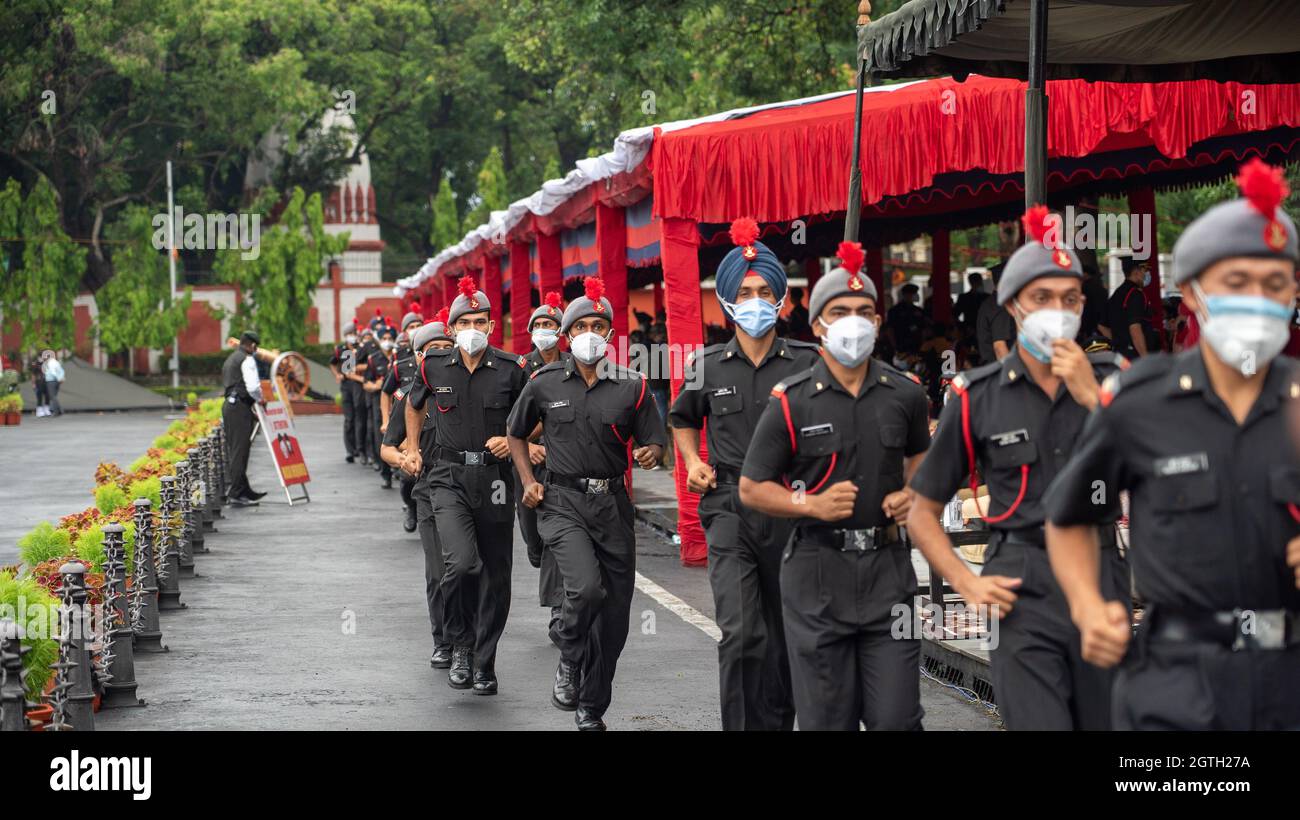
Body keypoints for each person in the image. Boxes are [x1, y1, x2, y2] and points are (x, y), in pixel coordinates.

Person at [1045, 158, 1300, 730]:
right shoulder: (1140, 403)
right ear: (1191, 292)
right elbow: (1068, 516)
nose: (1258, 298)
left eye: (1275, 283)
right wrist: (1089, 607)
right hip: (1175, 685)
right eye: (1237, 282)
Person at [907, 205, 1129, 730]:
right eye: (1042, 298)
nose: (1058, 309)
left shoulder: (1113, 378)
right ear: (1012, 305)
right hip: (1019, 583)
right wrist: (967, 582)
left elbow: (1157, 465)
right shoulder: (975, 395)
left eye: (1069, 298)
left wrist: (1090, 398)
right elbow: (921, 510)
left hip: (1102, 573)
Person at [739, 242, 931, 731]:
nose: (854, 321)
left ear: (879, 320)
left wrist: (916, 493)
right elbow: (752, 488)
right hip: (816, 578)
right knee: (828, 720)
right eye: (839, 311)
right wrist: (812, 503)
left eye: (864, 311)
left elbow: (920, 459)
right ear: (818, 325)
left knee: (897, 720)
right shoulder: (791, 401)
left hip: (889, 576)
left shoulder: (905, 393)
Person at [669, 217, 820, 731]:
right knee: (740, 632)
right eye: (745, 290)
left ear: (780, 298)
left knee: (785, 635)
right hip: (729, 509)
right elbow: (683, 418)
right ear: (728, 300)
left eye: (765, 290)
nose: (756, 299)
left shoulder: (810, 363)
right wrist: (693, 462)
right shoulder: (707, 365)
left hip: (793, 511)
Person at [506, 276, 667, 731]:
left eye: (600, 325)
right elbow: (515, 433)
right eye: (582, 327)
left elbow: (656, 443)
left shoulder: (632, 385)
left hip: (613, 507)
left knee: (614, 623)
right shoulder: (542, 382)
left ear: (611, 336)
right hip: (561, 502)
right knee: (585, 589)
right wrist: (526, 482)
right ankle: (570, 658)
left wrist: (652, 454)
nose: (590, 333)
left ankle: (591, 707)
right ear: (568, 334)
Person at [404, 275, 528, 695]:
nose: (473, 328)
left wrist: (514, 441)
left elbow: (535, 415)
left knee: (496, 574)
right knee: (460, 563)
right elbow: (414, 405)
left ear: (491, 326)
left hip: (494, 481)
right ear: (452, 328)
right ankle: (459, 643)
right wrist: (413, 447)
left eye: (481, 320)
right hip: (447, 478)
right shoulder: (433, 365)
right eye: (465, 321)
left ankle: (485, 661)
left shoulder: (513, 370)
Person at [382, 316, 456, 668]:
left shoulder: (468, 391)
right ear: (419, 356)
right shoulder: (408, 397)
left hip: (470, 490)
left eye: (446, 348)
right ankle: (443, 640)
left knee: (471, 568)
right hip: (428, 491)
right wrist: (403, 457)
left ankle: (469, 639)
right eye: (433, 351)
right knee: (438, 570)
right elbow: (387, 447)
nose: (441, 355)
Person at [518, 291, 572, 642]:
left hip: (563, 462)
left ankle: (559, 612)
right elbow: (511, 419)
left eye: (549, 324)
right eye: (538, 324)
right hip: (527, 460)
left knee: (558, 536)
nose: (543, 330)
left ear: (560, 330)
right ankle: (535, 550)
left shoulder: (574, 363)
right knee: (534, 533)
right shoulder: (519, 367)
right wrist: (529, 446)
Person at [382, 311, 427, 532]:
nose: (415, 328)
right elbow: (386, 392)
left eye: (420, 324)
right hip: (406, 432)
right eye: (412, 325)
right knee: (408, 479)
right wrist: (384, 419)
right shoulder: (401, 365)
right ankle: (411, 507)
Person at [221, 331, 266, 506]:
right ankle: (236, 493)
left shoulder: (232, 358)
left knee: (238, 449)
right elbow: (253, 387)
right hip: (239, 407)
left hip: (230, 405)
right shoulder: (247, 360)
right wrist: (260, 399)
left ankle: (244, 489)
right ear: (252, 345)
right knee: (240, 451)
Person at [364, 324, 396, 488]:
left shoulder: (401, 357)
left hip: (398, 406)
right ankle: (386, 475)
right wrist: (376, 386)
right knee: (382, 441)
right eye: (384, 339)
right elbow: (366, 384)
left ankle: (399, 470)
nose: (387, 341)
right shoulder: (373, 359)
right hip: (379, 405)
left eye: (390, 338)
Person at [330, 321, 363, 462]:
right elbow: (332, 363)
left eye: (352, 333)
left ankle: (359, 448)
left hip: (358, 383)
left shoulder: (361, 348)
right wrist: (336, 374)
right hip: (346, 385)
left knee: (359, 417)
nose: (351, 336)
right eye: (348, 334)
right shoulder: (341, 349)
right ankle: (350, 450)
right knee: (349, 418)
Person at [1106, 256, 1151, 359]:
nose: (1146, 275)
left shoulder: (1117, 294)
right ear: (1136, 272)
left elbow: (1102, 325)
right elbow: (1135, 329)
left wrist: (1119, 342)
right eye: (1145, 270)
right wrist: (1145, 358)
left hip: (1120, 354)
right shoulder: (1135, 294)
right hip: (1135, 356)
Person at [976, 263, 1015, 365]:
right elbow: (999, 346)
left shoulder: (989, 303)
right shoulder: (1001, 305)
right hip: (998, 368)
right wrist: (1011, 374)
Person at [885, 282, 926, 355]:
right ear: (905, 295)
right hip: (901, 344)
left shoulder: (918, 311)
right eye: (912, 293)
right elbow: (890, 329)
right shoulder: (895, 311)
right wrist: (894, 346)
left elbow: (923, 329)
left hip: (916, 345)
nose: (915, 296)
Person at [41, 350, 65, 416]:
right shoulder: (56, 362)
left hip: (51, 381)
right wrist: (61, 378)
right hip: (56, 381)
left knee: (52, 396)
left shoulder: (50, 363)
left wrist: (59, 378)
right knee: (54, 396)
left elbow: (52, 372)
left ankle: (57, 411)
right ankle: (59, 410)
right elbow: (62, 371)